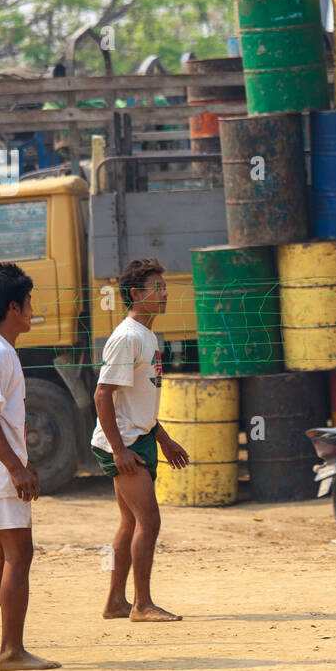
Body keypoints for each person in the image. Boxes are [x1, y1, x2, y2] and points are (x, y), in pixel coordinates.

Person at [0, 262, 59, 671]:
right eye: (29, 302)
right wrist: (17, 467)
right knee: (19, 555)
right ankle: (12, 651)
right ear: (14, 306)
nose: (33, 309)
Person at [92, 257, 189, 622]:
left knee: (130, 523)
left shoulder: (147, 336)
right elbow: (103, 395)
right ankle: (142, 605)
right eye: (157, 288)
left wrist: (163, 438)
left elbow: (138, 399)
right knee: (149, 521)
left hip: (140, 437)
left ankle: (116, 602)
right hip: (125, 443)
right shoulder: (127, 337)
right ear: (136, 294)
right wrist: (120, 450)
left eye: (165, 288)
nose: (164, 294)